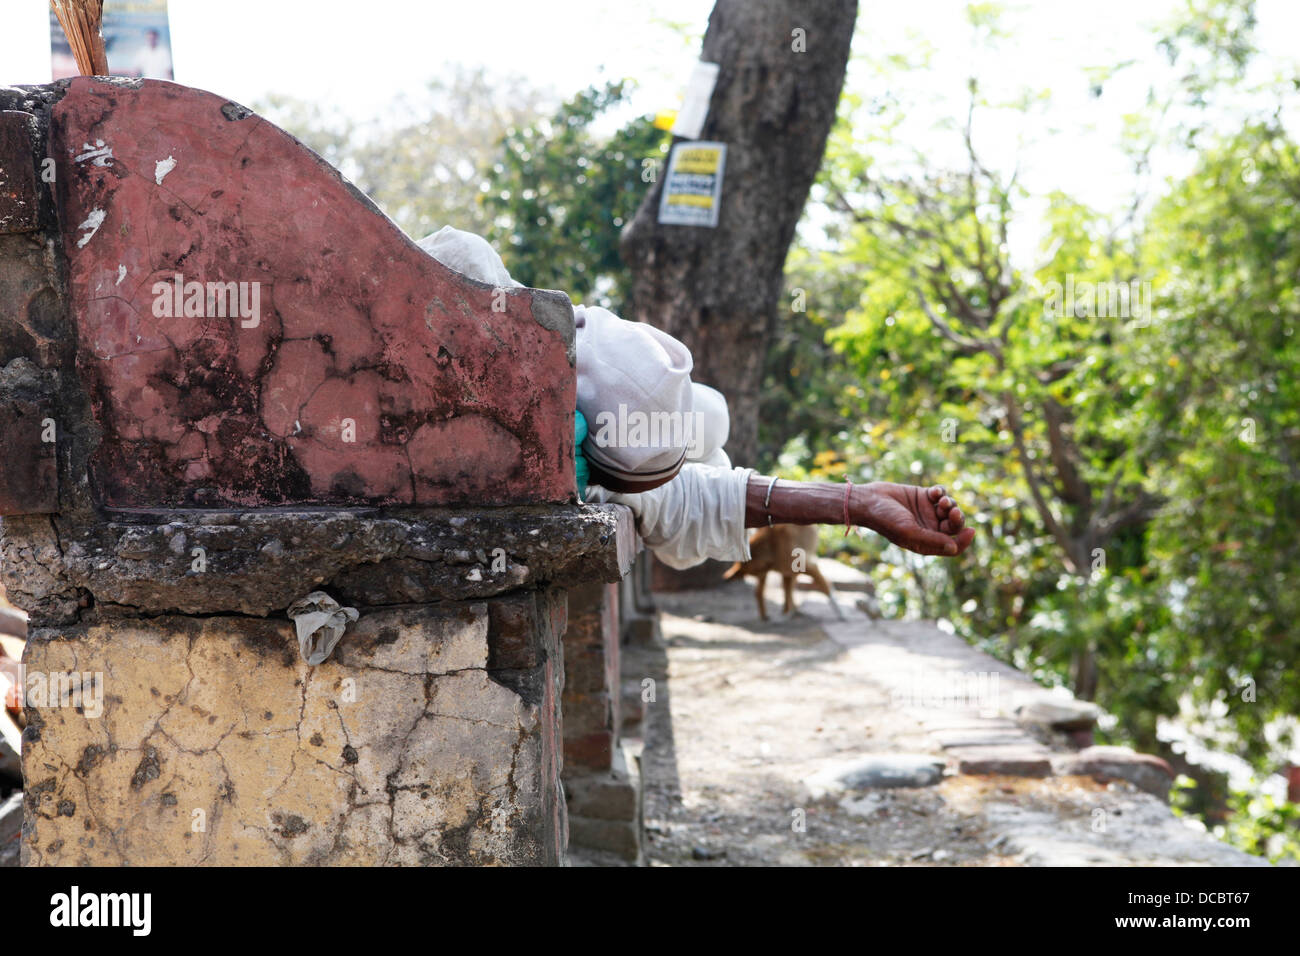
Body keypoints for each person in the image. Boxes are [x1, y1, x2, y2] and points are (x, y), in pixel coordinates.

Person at [417, 226, 975, 569]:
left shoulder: (586, 413)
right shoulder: (462, 280)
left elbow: (692, 497)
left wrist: (857, 503)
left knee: (706, 416)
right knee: (705, 418)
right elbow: (676, 498)